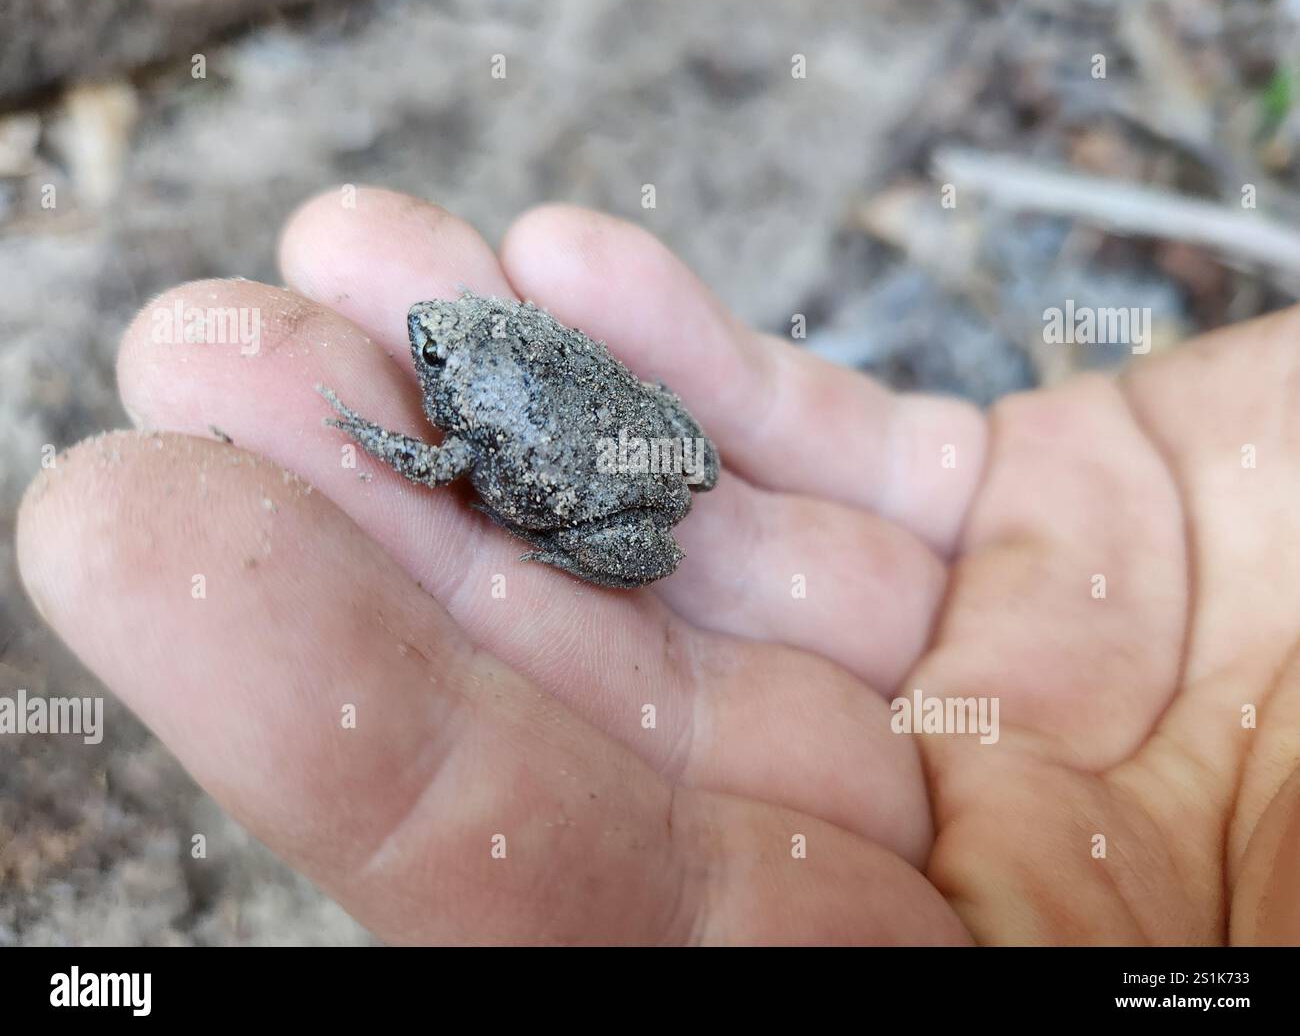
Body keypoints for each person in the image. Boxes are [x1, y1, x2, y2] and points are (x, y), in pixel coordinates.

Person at [16, 188, 1299, 944]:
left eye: (443, 356)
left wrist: (381, 438)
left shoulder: (467, 407)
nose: (427, 342)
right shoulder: (482, 372)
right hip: (615, 437)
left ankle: (564, 532)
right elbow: (485, 420)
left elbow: (430, 465)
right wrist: (370, 423)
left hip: (601, 486)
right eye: (447, 349)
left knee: (555, 531)